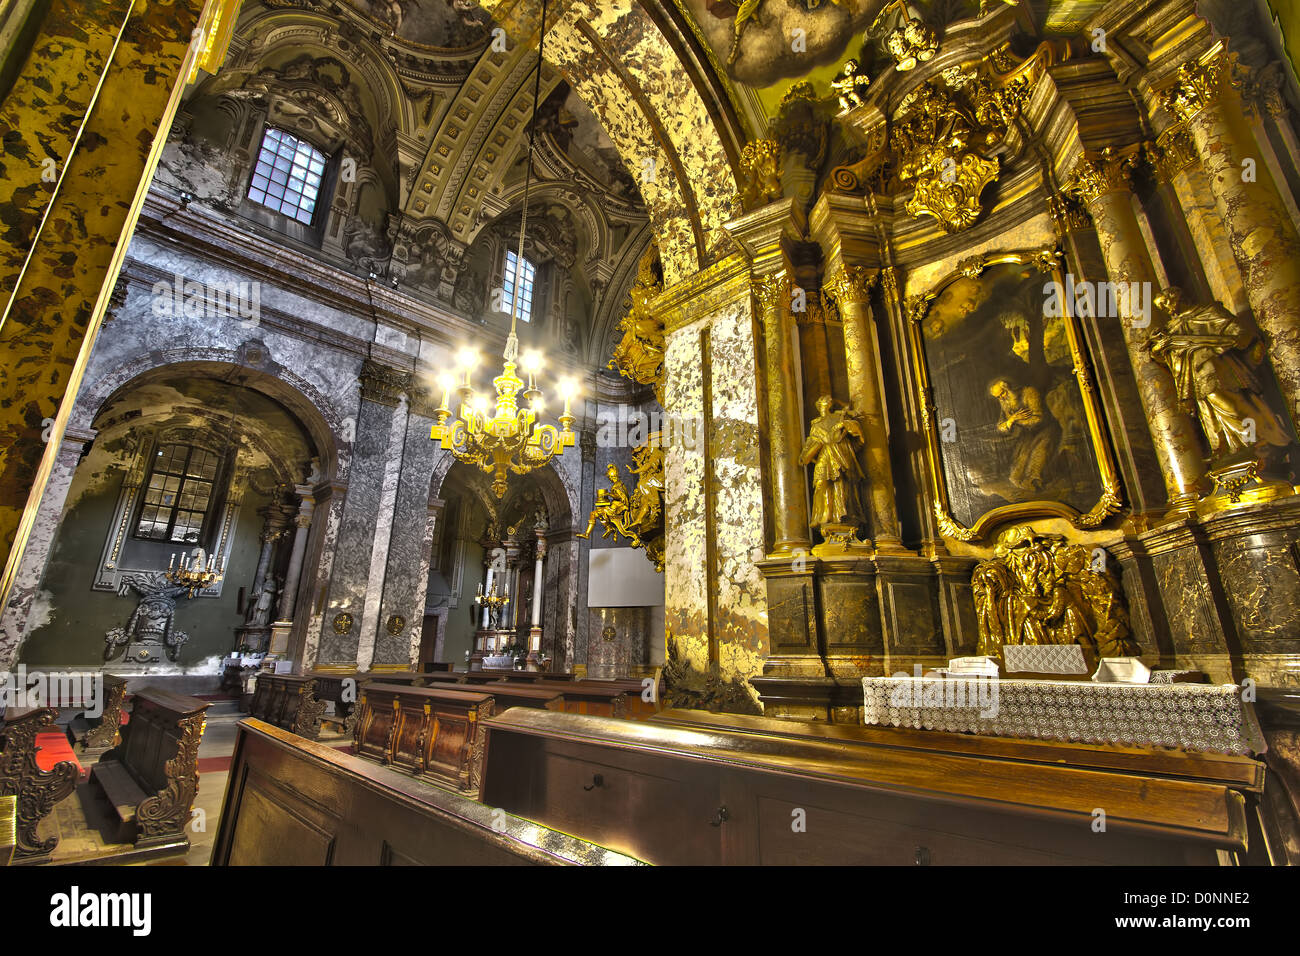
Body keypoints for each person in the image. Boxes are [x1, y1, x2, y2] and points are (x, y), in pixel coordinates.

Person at [799, 395, 866, 532]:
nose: (825, 404)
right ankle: (824, 517)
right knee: (820, 484)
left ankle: (842, 517)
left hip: (841, 454)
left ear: (829, 405)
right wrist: (805, 455)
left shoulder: (839, 417)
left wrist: (847, 426)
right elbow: (810, 444)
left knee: (841, 484)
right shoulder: (816, 425)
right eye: (822, 402)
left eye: (827, 402)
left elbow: (855, 434)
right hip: (825, 456)